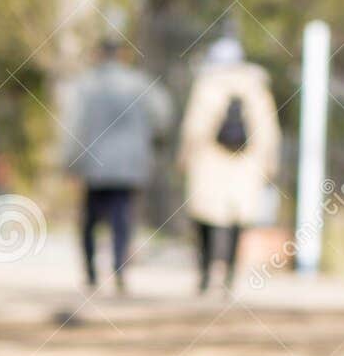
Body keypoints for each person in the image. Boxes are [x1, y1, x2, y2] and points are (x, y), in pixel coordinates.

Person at [64, 38, 174, 295]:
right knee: (122, 217)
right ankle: (119, 270)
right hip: (129, 163)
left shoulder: (86, 85)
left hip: (95, 163)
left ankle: (91, 271)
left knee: (91, 217)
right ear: (122, 55)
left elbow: (72, 124)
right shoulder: (139, 83)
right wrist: (151, 139)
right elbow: (163, 115)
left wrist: (70, 159)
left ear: (99, 55)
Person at [177, 36, 281, 295]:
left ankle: (204, 273)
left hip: (209, 162)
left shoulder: (207, 86)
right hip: (245, 165)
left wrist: (185, 157)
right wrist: (269, 163)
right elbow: (268, 131)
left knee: (205, 219)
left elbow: (194, 128)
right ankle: (230, 275)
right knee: (238, 220)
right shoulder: (257, 88)